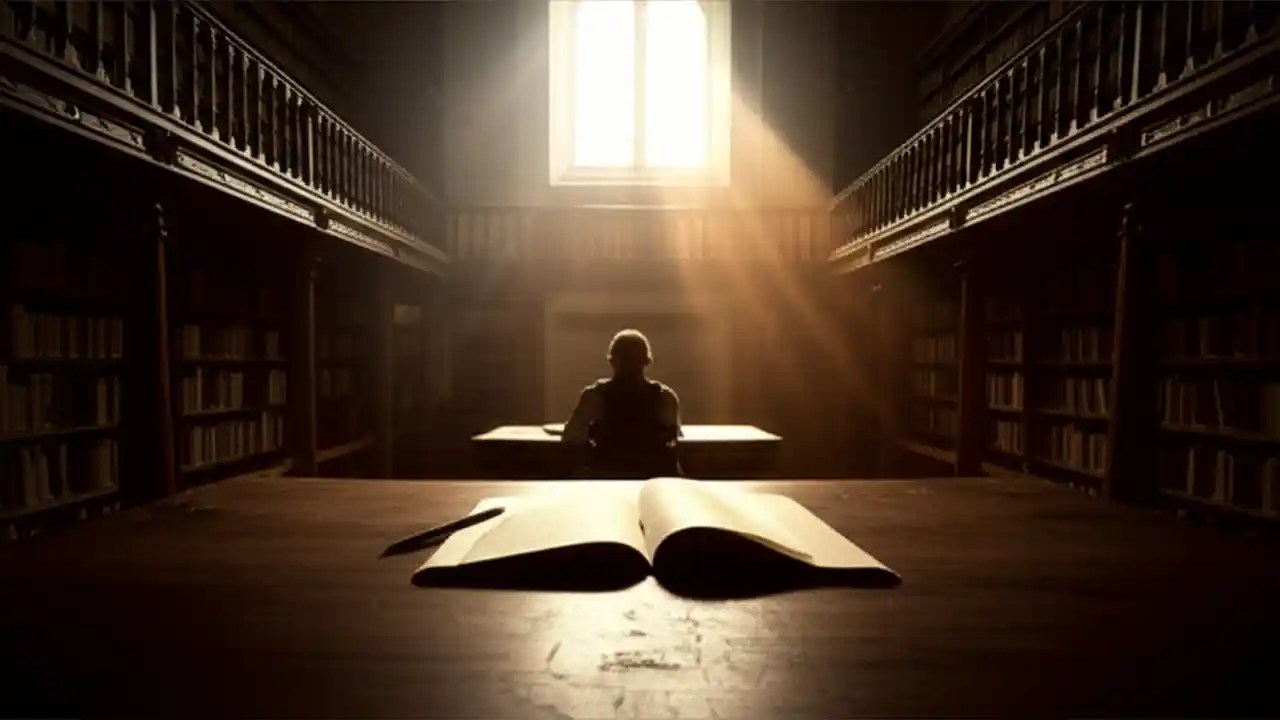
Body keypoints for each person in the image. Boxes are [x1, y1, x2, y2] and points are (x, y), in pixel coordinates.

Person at [561, 329, 682, 477]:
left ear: (612, 361)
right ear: (646, 361)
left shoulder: (594, 396)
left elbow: (570, 437)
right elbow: (675, 440)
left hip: (607, 474)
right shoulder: (665, 397)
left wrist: (591, 435)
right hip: (652, 475)